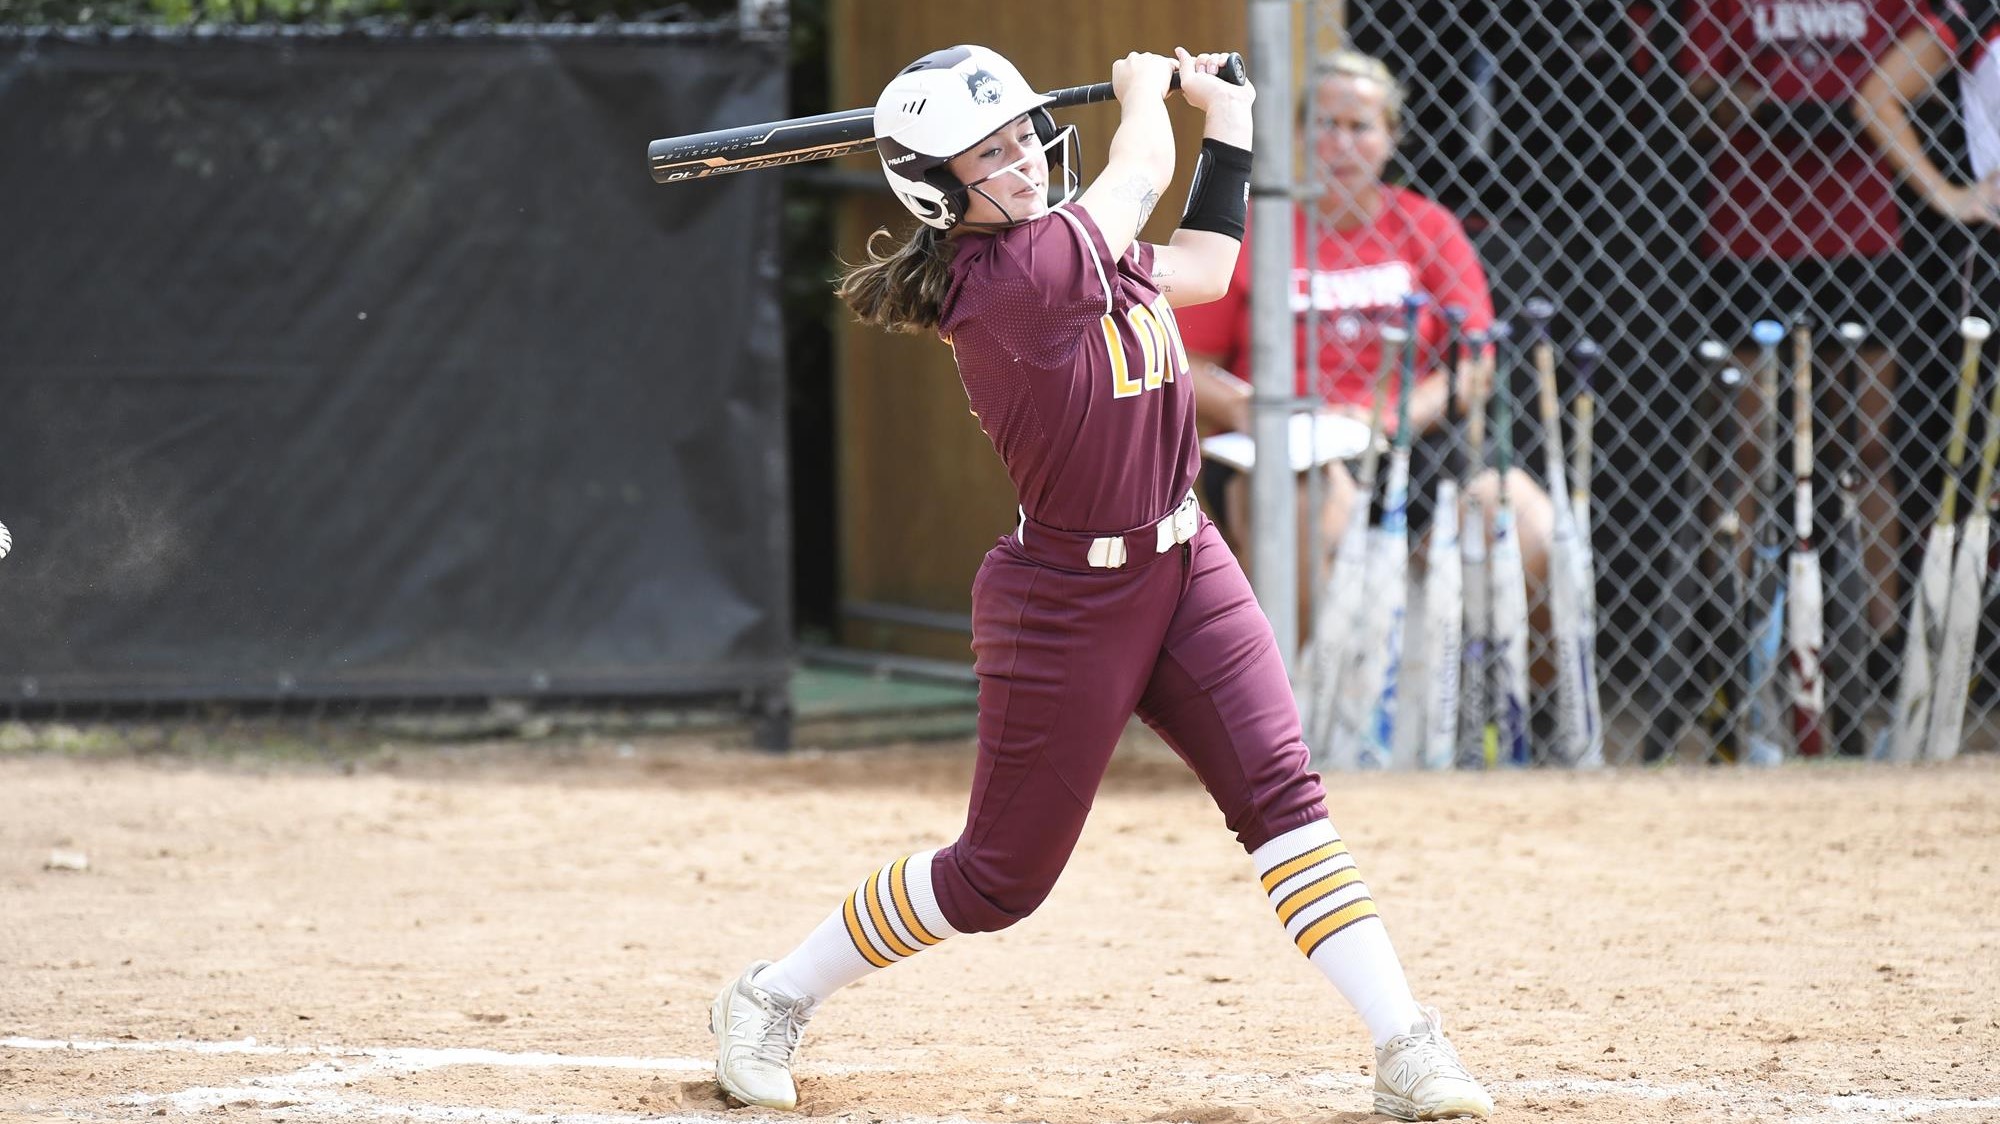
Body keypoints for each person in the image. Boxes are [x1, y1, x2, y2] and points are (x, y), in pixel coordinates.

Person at [705, 44, 1494, 1123]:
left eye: (1022, 134)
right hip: (1063, 600)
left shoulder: (1066, 243)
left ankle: (1406, 1041)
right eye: (988, 152)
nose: (1023, 157)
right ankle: (771, 992)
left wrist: (1227, 122)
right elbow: (1127, 182)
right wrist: (1141, 101)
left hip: (1185, 560)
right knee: (995, 879)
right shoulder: (1015, 281)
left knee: (1283, 797)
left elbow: (1208, 269)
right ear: (934, 186)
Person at [1174, 49, 1554, 635]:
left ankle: (1516, 719)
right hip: (1286, 448)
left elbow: (1474, 361)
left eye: (1360, 127)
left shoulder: (1427, 227)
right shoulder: (1258, 228)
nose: (1341, 144)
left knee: (1534, 527)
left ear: (1391, 138)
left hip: (1411, 445)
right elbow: (1188, 364)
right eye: (1326, 124)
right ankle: (1303, 712)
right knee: (1312, 517)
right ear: (1301, 133)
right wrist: (1250, 408)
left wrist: (1390, 418)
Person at [1673, 0, 1935, 645]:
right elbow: (1698, 105)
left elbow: (1913, 84)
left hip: (1862, 234)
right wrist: (1787, 108)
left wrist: (1785, 105)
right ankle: (1735, 635)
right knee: (1747, 447)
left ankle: (1880, 645)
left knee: (1868, 448)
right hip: (1748, 235)